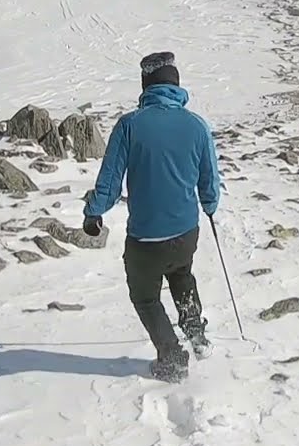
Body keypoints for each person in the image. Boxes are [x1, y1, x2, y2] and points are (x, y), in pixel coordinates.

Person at [81, 51, 221, 382]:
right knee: (181, 273)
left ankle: (172, 359)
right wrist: (210, 206)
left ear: (146, 85)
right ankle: (195, 330)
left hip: (146, 237)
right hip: (186, 231)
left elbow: (110, 183)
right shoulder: (196, 125)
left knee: (145, 297)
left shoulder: (130, 125)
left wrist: (93, 213)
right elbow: (209, 180)